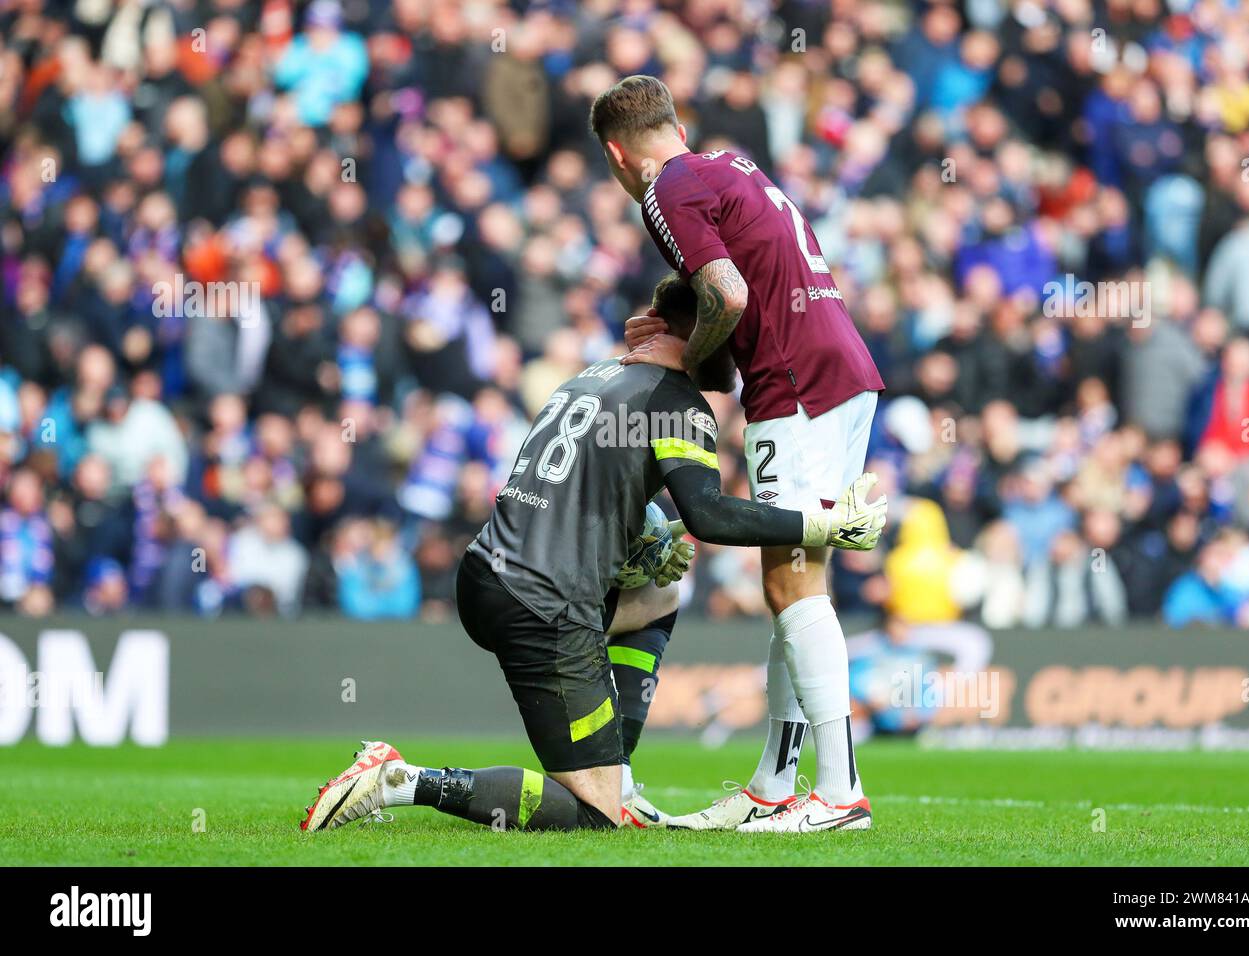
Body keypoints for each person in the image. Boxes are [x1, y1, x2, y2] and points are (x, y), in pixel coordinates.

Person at [301, 276, 887, 832]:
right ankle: (399, 780)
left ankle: (620, 778)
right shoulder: (678, 402)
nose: (737, 356)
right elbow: (709, 515)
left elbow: (581, 480)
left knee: (657, 593)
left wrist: (650, 533)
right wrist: (825, 524)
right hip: (545, 600)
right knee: (591, 815)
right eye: (730, 339)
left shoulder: (596, 375)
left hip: (490, 568)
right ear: (701, 334)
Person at [591, 75, 886, 831]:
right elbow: (738, 286)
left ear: (618, 154)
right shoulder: (731, 167)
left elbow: (726, 295)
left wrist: (682, 354)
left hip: (796, 383)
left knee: (792, 587)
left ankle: (841, 794)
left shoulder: (665, 189)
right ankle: (773, 787)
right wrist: (681, 317)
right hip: (842, 369)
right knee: (794, 585)